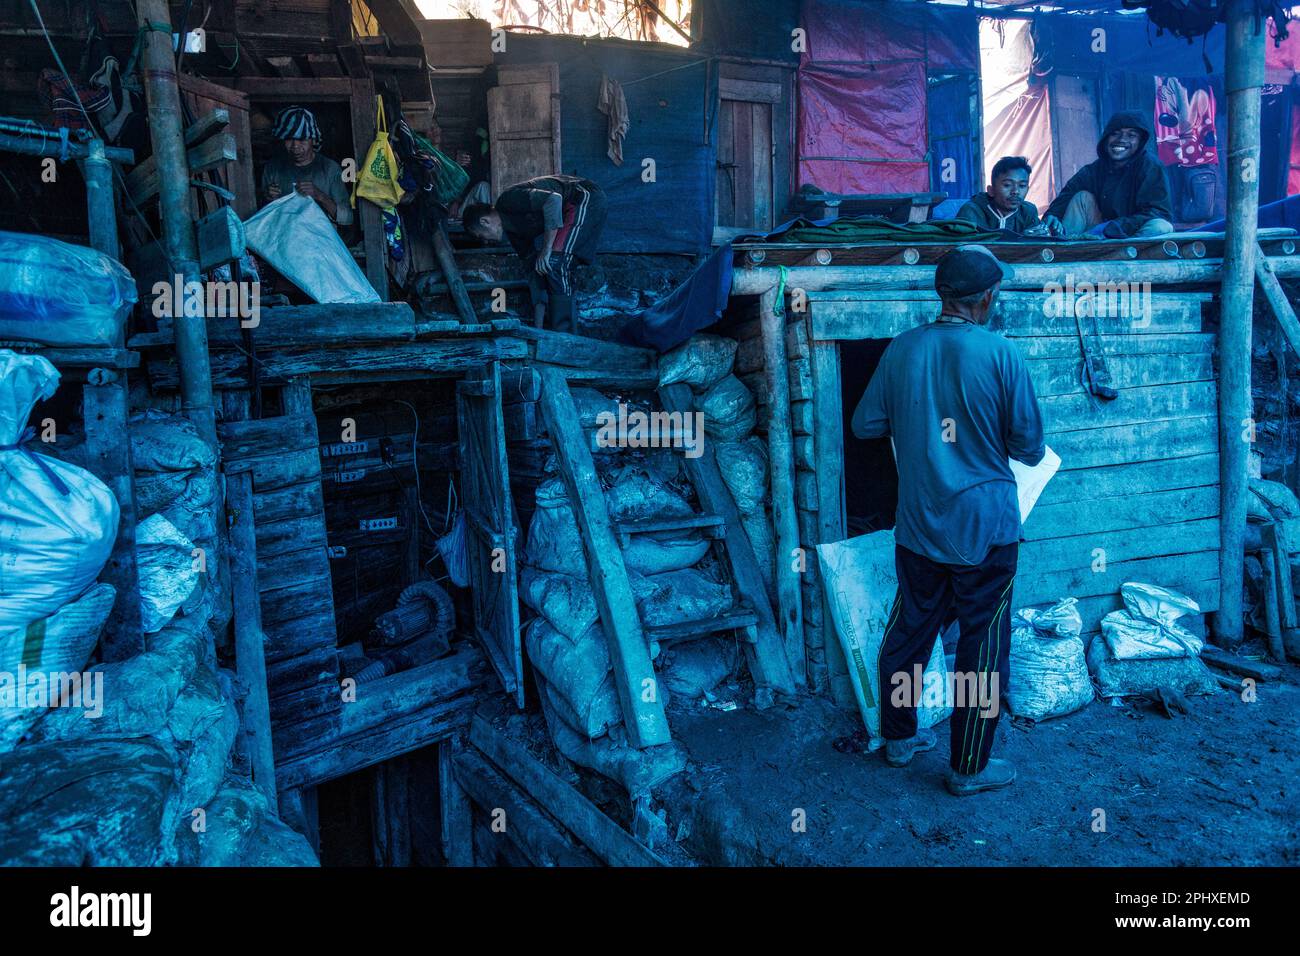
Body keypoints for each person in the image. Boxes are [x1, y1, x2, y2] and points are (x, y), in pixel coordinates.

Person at [851, 245, 1045, 796]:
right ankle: (969, 769)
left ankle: (898, 739)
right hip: (986, 529)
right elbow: (1030, 449)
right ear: (987, 299)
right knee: (981, 645)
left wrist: (917, 424)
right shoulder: (1001, 354)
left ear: (943, 295)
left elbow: (866, 425)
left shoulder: (902, 349)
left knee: (910, 630)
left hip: (919, 526)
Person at [462, 175, 608, 333]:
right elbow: (535, 277)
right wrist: (537, 331)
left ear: (485, 221)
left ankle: (564, 337)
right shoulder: (514, 234)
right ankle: (556, 334)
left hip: (584, 196)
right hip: (569, 210)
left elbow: (554, 200)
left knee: (555, 263)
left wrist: (546, 250)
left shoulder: (508, 200)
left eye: (480, 235)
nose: (485, 241)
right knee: (548, 267)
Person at [1041, 110, 1173, 239]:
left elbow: (1157, 212)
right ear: (1105, 138)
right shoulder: (1094, 170)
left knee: (1160, 226)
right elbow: (1068, 193)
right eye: (1115, 134)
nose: (1121, 140)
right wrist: (1053, 215)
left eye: (1131, 135)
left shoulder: (1151, 167)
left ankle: (1125, 254)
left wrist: (1114, 226)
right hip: (1099, 236)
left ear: (1140, 142)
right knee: (1082, 198)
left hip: (1132, 235)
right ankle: (1068, 249)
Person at [260, 106, 353, 227]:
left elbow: (348, 218)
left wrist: (320, 196)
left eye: (302, 139)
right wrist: (269, 200)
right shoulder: (273, 168)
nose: (295, 146)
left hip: (321, 241)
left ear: (313, 140)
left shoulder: (329, 168)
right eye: (289, 139)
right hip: (284, 239)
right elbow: (263, 219)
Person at [956, 156, 1041, 234]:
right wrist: (1022, 239)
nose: (1015, 191)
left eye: (1022, 186)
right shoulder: (972, 211)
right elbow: (965, 247)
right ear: (991, 190)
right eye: (1007, 185)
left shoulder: (1028, 212)